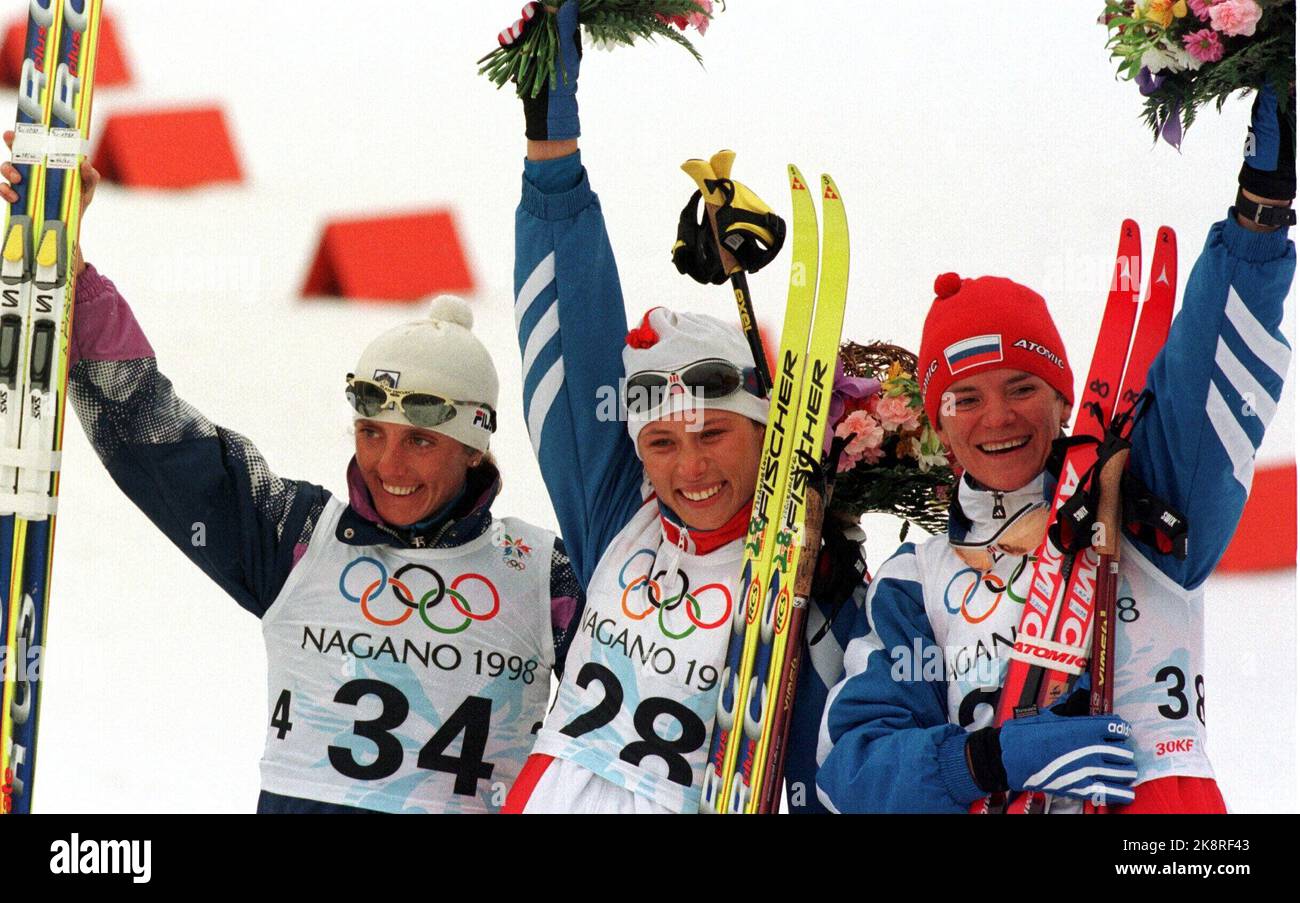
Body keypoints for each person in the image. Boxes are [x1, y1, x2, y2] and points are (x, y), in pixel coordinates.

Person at [0, 140, 584, 814]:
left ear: (475, 449)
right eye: (371, 433)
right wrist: (69, 278)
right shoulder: (297, 537)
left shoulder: (545, 576)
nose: (388, 465)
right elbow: (153, 435)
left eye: (421, 440)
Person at [816, 85, 1296, 813]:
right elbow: (855, 768)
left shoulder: (1145, 501)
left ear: (1064, 398)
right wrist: (986, 758)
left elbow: (1203, 380)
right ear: (938, 426)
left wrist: (1258, 223)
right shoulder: (917, 578)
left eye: (1022, 387)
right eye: (965, 398)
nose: (997, 417)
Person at [500, 1, 866, 814]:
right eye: (661, 441)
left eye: (714, 433)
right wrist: (551, 151)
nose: (690, 467)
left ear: (767, 426)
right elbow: (567, 329)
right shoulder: (617, 513)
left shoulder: (812, 568)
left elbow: (850, 756)